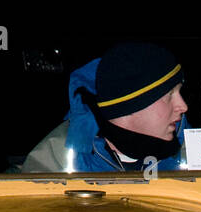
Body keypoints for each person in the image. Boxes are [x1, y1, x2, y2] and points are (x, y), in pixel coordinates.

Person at [20, 41, 188, 174]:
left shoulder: (192, 150)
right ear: (129, 106)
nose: (183, 106)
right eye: (169, 96)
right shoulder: (57, 158)